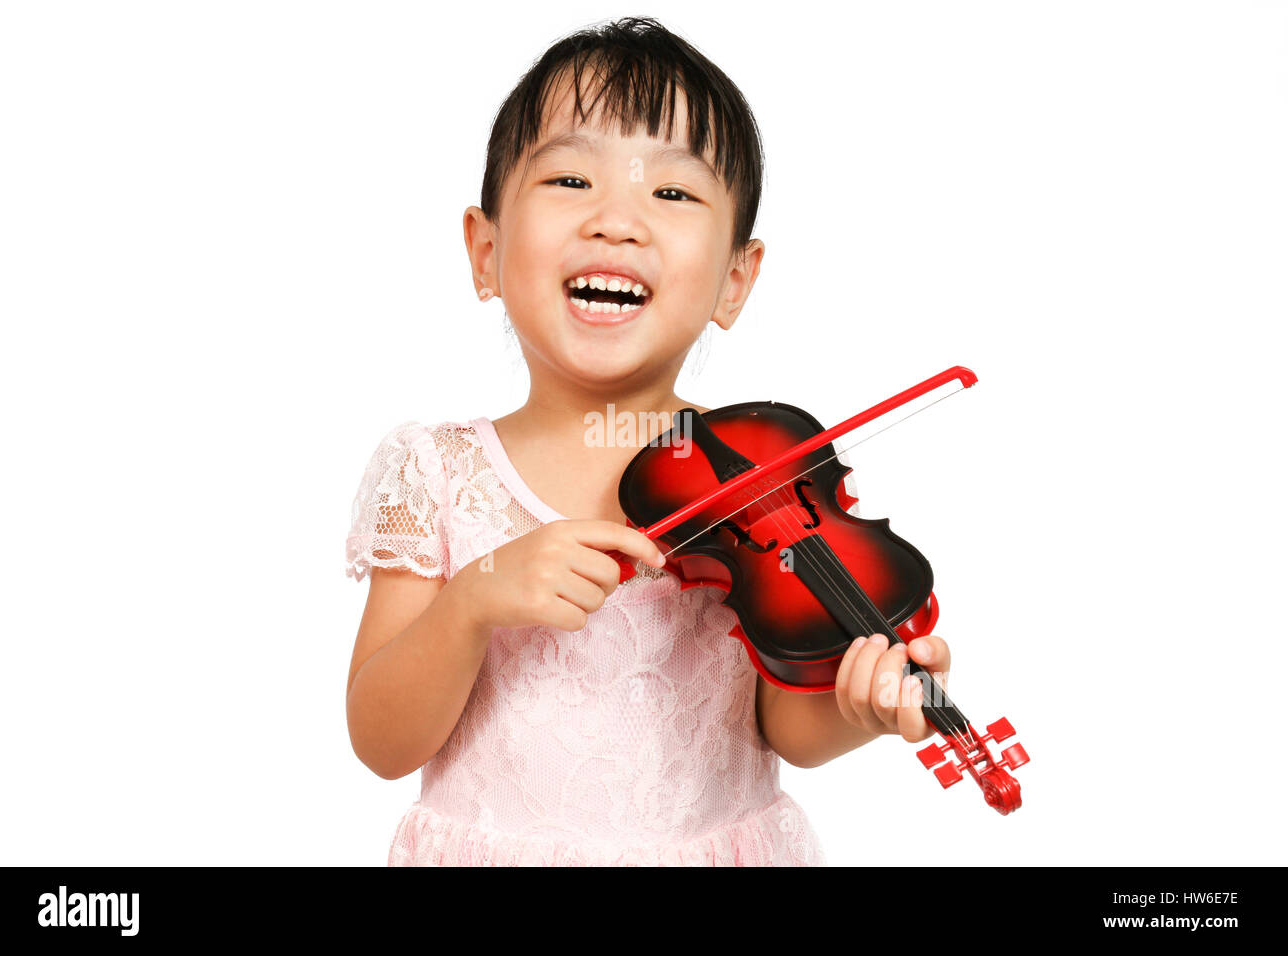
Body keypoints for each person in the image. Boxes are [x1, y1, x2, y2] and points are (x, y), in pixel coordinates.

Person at [343, 16, 952, 866]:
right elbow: (381, 742)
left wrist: (855, 709)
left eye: (672, 194)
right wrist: (473, 598)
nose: (617, 221)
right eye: (567, 178)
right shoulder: (435, 470)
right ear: (485, 252)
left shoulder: (762, 484)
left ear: (734, 282)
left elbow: (782, 731)